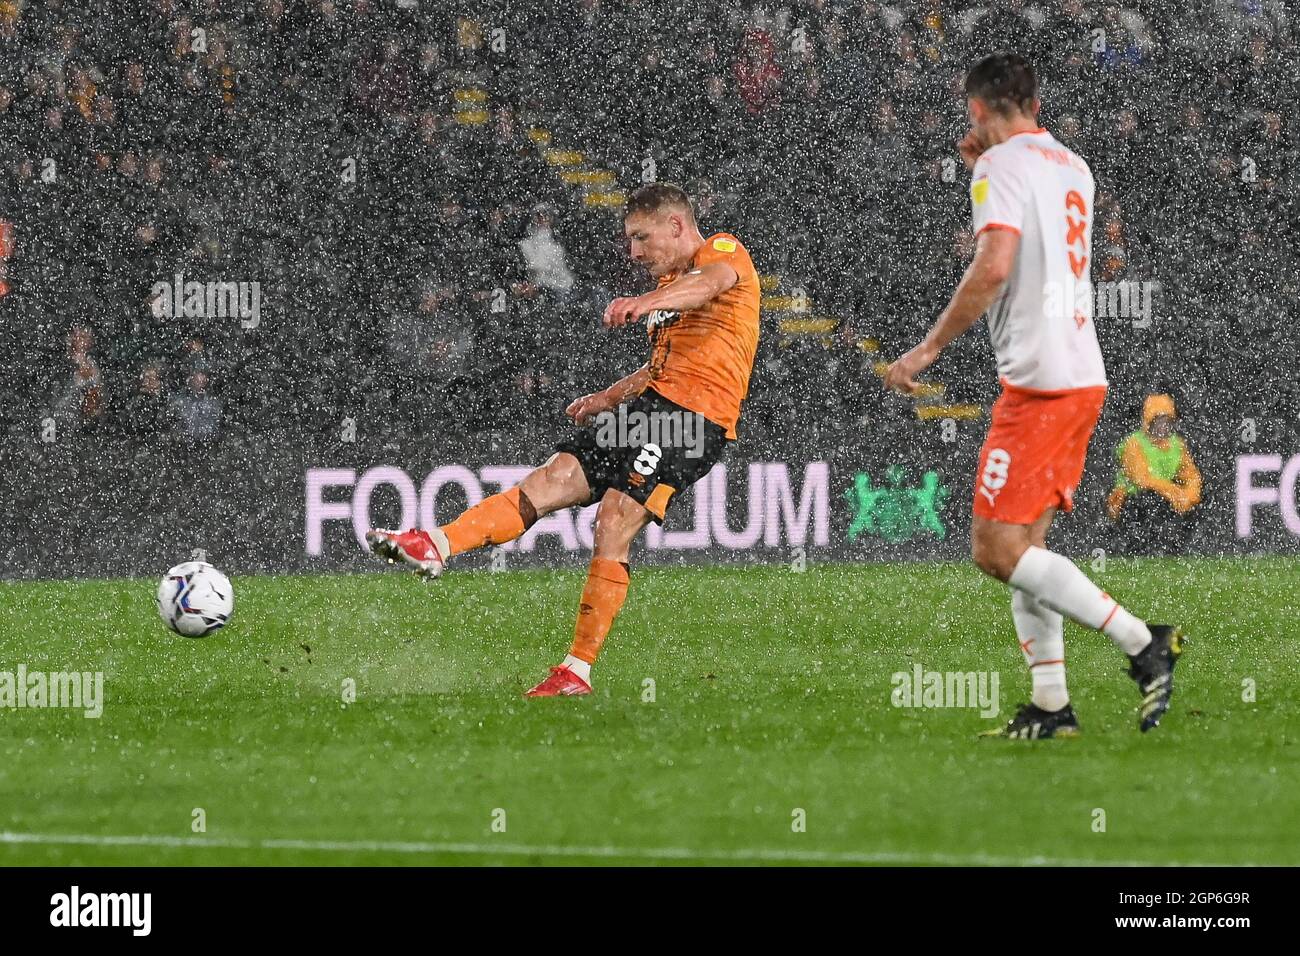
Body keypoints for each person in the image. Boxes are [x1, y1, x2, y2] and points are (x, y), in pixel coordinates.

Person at [883, 53, 1185, 738]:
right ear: (1035, 104)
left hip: (1041, 382)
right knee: (1028, 547)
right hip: (1081, 371)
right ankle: (1052, 705)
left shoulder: (1001, 167)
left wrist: (927, 348)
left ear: (979, 108)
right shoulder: (1070, 164)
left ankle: (1144, 643)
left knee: (995, 549)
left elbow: (994, 266)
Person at [367, 184, 761, 697]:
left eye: (641, 237)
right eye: (629, 240)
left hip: (693, 420)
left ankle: (577, 670)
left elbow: (708, 285)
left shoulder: (722, 253)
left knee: (614, 517)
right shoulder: (667, 286)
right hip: (650, 409)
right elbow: (660, 368)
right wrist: (607, 397)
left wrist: (646, 302)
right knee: (550, 481)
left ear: (677, 226)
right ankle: (437, 544)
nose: (634, 251)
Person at [1107, 393, 1202, 548]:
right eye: (1159, 422)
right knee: (1150, 499)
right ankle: (1140, 547)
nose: (1163, 427)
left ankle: (1172, 547)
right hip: (1131, 501)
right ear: (1148, 422)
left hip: (1166, 499)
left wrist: (1189, 496)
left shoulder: (1177, 445)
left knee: (1193, 505)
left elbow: (1191, 476)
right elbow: (1142, 480)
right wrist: (1173, 493)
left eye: (1167, 422)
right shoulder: (1134, 443)